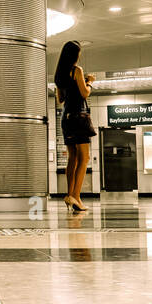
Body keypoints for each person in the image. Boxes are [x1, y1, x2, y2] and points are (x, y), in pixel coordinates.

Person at [53, 40, 95, 213]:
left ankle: (69, 194)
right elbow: (85, 93)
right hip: (79, 117)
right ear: (75, 54)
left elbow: (60, 99)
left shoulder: (59, 75)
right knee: (84, 158)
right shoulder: (76, 70)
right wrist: (90, 82)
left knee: (73, 158)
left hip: (66, 118)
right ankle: (76, 197)